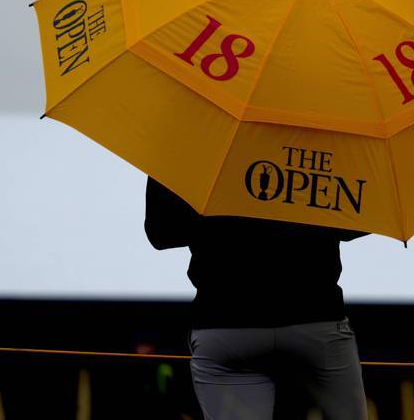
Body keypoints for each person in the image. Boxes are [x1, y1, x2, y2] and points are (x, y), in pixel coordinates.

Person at [144, 177, 368, 420]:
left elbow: (161, 231)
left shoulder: (190, 144)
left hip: (225, 323)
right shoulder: (325, 142)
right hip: (315, 320)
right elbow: (358, 220)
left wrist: (223, 212)